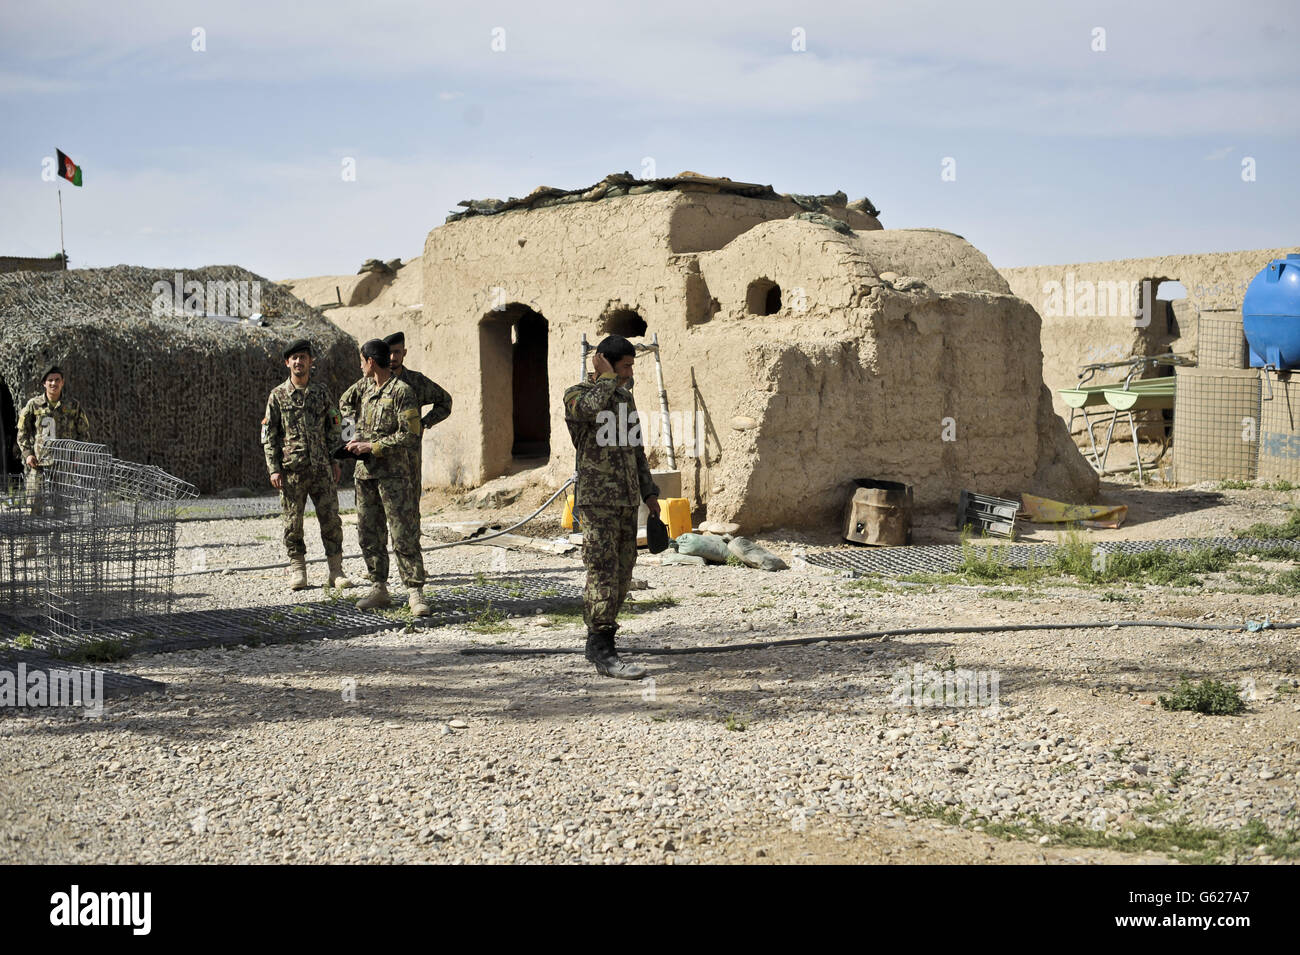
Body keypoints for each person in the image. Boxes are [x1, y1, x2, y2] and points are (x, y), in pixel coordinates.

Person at [563, 334, 660, 680]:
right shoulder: (577, 395)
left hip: (625, 499)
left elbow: (636, 449)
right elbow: (588, 411)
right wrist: (604, 377)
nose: (629, 372)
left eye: (631, 366)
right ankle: (603, 649)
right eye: (624, 365)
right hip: (597, 501)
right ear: (603, 362)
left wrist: (649, 492)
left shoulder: (624, 400)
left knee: (622, 572)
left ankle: (598, 639)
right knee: (602, 569)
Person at [346, 339, 430, 616]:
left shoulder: (402, 391)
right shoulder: (364, 388)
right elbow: (343, 404)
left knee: (402, 534)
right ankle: (379, 588)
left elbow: (410, 433)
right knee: (369, 534)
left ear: (370, 362)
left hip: (394, 476)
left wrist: (373, 446)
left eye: (361, 361)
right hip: (365, 475)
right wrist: (350, 435)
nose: (360, 366)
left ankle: (415, 592)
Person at [261, 339, 354, 591]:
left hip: (322, 469)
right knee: (293, 522)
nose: (299, 362)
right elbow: (269, 434)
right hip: (292, 472)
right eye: (294, 358)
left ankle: (336, 570)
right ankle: (298, 570)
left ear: (311, 362)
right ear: (287, 362)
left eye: (303, 357)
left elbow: (336, 425)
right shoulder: (277, 396)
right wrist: (274, 468)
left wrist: (336, 458)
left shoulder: (321, 392)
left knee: (331, 520)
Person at [384, 331, 452, 497]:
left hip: (409, 456)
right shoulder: (378, 382)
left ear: (404, 353)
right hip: (383, 455)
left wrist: (425, 423)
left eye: (397, 352)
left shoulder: (416, 381)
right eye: (389, 352)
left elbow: (445, 401)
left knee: (410, 504)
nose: (393, 357)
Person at [16, 366, 91, 512]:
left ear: (63, 382)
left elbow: (83, 432)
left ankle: (57, 535)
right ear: (44, 383)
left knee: (62, 507)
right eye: (50, 380)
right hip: (38, 463)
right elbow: (22, 431)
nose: (53, 383)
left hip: (64, 465)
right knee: (34, 505)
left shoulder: (73, 405)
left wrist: (76, 455)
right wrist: (28, 454)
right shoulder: (34, 404)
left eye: (57, 380)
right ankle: (35, 535)